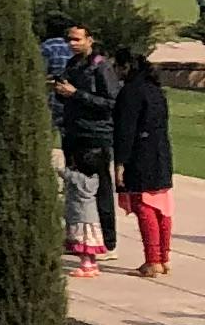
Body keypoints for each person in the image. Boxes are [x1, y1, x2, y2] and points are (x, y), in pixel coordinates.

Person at [54, 25, 122, 264]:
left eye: (76, 39)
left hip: (97, 136)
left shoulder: (101, 66)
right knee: (76, 188)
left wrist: (76, 94)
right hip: (74, 133)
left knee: (100, 189)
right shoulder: (73, 64)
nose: (72, 43)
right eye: (69, 39)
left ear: (89, 40)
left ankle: (109, 242)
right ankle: (78, 238)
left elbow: (112, 103)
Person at [114, 52, 175, 277]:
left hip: (141, 154)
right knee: (162, 207)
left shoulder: (131, 93)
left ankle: (152, 259)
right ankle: (163, 257)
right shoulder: (156, 90)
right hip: (161, 152)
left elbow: (125, 130)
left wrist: (120, 162)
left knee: (144, 205)